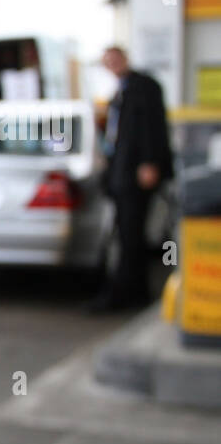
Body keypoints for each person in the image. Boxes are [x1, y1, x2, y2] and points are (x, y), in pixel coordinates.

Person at [90, 46, 174, 312]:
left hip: (136, 173)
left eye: (115, 59)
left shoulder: (143, 86)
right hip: (122, 173)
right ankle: (136, 292)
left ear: (125, 58)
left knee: (131, 236)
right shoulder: (120, 90)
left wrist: (149, 162)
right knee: (129, 236)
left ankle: (123, 295)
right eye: (107, 62)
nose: (112, 65)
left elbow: (152, 126)